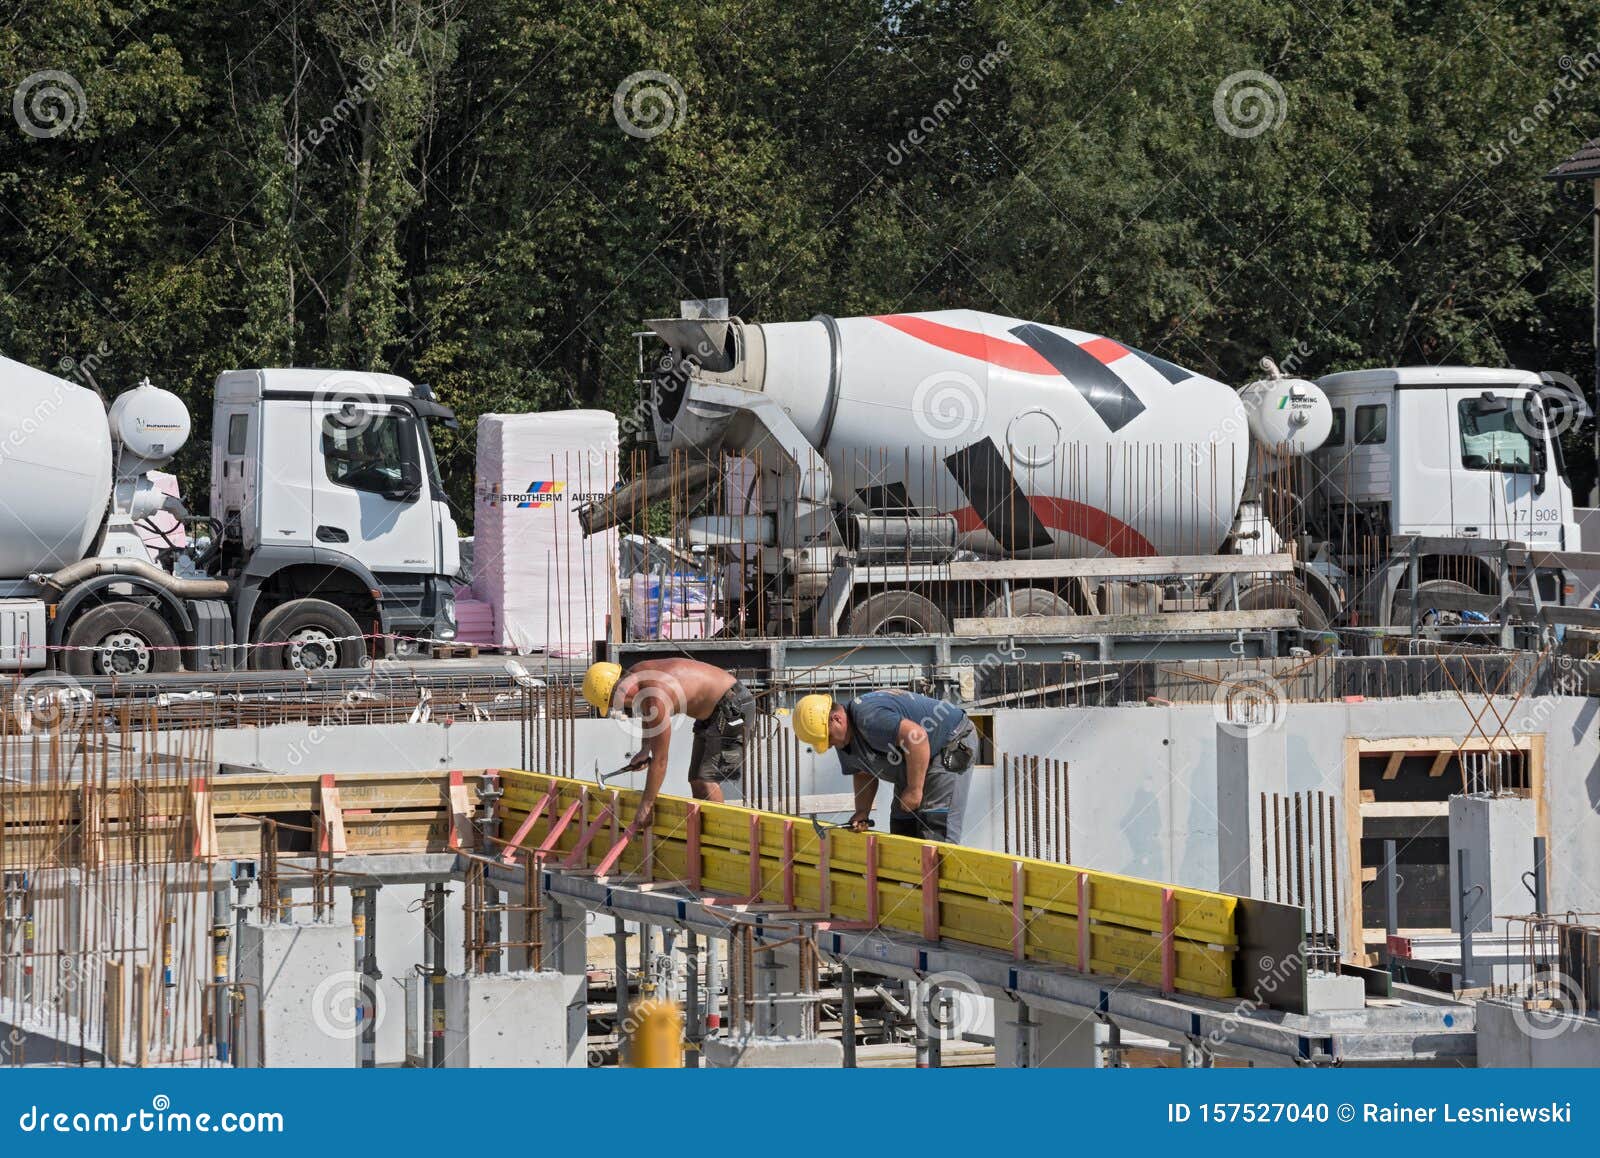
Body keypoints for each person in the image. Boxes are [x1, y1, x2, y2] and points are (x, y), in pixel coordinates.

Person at [581, 658, 755, 825]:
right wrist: (644, 749)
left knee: (706, 779)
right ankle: (705, 840)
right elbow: (648, 714)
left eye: (615, 702)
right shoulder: (637, 674)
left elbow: (661, 760)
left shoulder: (656, 696)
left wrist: (646, 806)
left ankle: (719, 839)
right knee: (696, 779)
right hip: (716, 710)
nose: (621, 706)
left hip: (733, 706)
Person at [792, 689, 977, 842]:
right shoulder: (843, 739)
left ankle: (938, 884)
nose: (830, 744)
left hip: (948, 741)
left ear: (837, 719)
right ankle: (910, 884)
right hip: (913, 757)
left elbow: (917, 737)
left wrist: (914, 789)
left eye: (828, 738)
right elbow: (863, 771)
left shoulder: (869, 717)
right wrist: (862, 812)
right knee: (902, 824)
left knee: (935, 826)